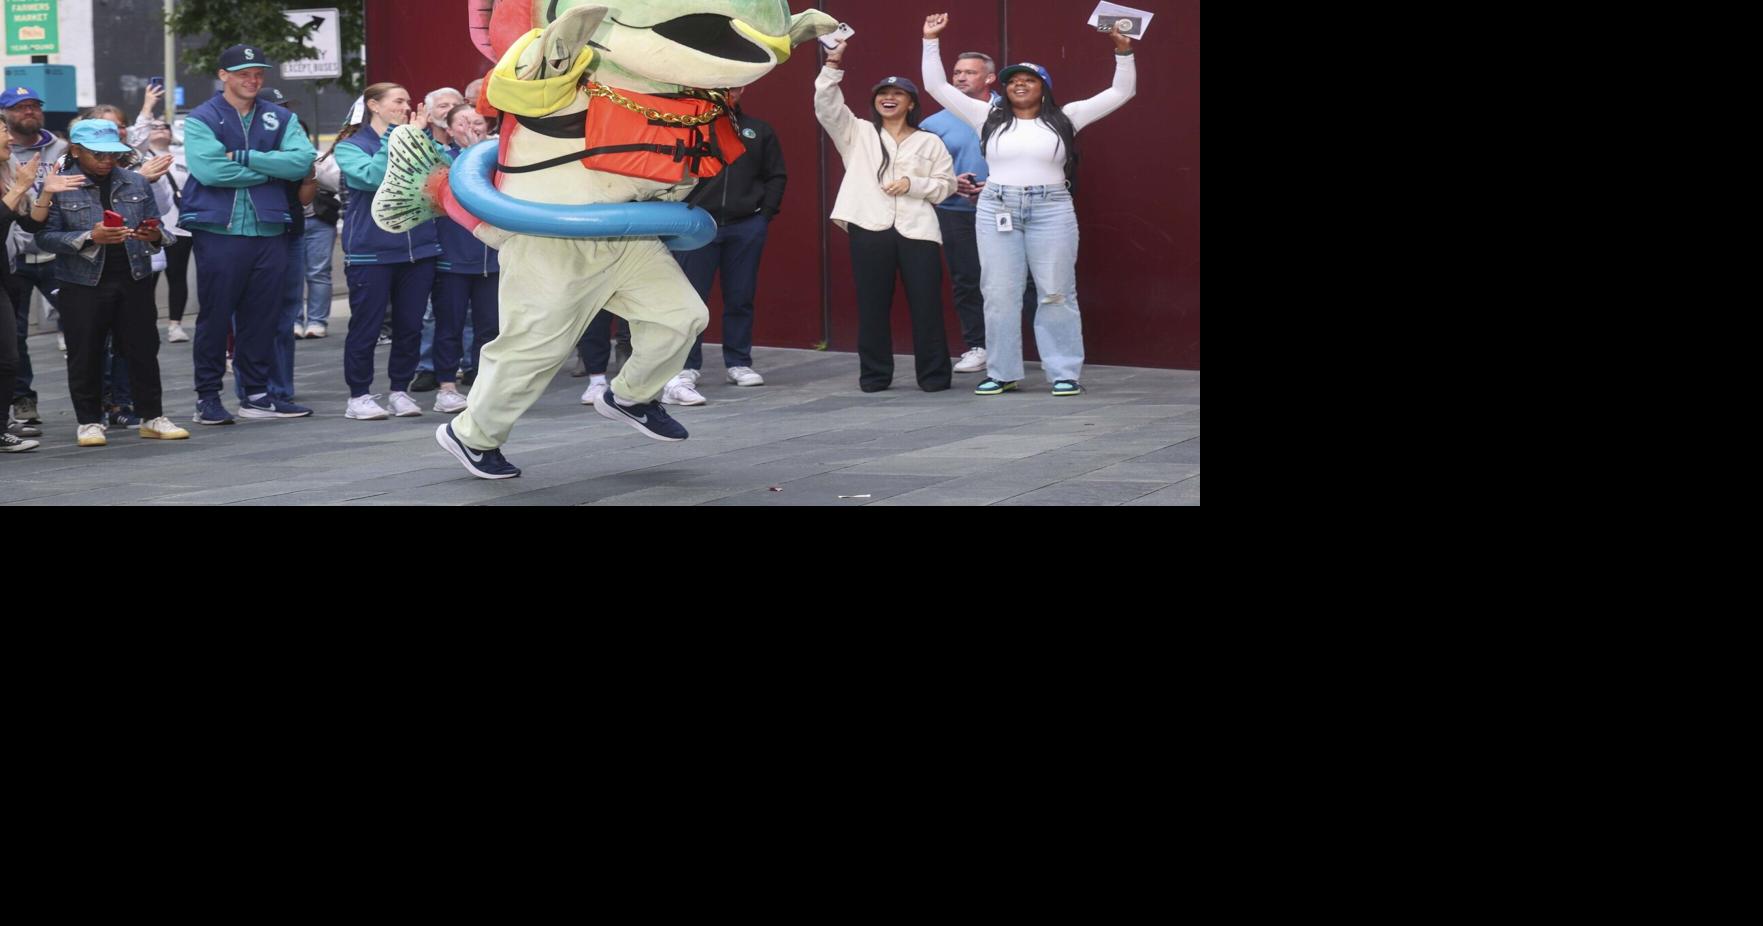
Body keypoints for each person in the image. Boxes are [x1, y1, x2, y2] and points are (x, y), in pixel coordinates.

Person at [921, 13, 1136, 397]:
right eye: (1012, 81)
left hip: (1051, 208)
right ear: (1003, 89)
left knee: (1056, 291)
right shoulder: (986, 115)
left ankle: (1064, 372)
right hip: (997, 206)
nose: (1019, 85)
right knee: (999, 291)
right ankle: (1002, 372)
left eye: (1029, 79)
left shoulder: (1066, 117)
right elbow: (936, 84)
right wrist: (930, 40)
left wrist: (1124, 52)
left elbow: (1121, 93)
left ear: (1044, 87)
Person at [179, 43, 317, 423]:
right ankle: (207, 397)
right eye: (244, 73)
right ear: (223, 75)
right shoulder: (201, 117)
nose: (253, 80)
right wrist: (275, 169)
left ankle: (256, 395)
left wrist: (243, 157)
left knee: (263, 315)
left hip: (269, 227)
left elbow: (303, 161)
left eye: (258, 73)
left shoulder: (279, 116)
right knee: (216, 315)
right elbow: (209, 171)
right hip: (218, 229)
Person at [32, 119, 189, 445]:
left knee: (143, 349)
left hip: (134, 275)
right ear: (76, 151)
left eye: (112, 154)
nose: (106, 161)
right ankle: (89, 421)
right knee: (85, 352)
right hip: (82, 281)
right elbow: (45, 238)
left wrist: (153, 235)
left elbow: (162, 229)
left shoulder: (135, 181)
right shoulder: (60, 185)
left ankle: (152, 416)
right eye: (98, 154)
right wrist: (90, 236)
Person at [815, 38, 956, 393]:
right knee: (872, 305)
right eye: (882, 93)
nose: (888, 98)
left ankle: (935, 377)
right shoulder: (857, 132)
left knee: (927, 305)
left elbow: (946, 185)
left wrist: (913, 184)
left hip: (918, 230)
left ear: (911, 103)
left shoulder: (930, 141)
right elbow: (826, 106)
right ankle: (875, 376)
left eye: (897, 93)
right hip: (869, 226)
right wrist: (833, 63)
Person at [655, 85, 785, 406]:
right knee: (691, 300)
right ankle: (686, 367)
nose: (728, 92)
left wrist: (763, 215)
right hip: (696, 225)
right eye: (720, 87)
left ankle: (738, 362)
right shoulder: (686, 128)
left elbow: (776, 175)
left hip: (744, 226)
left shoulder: (757, 130)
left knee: (740, 296)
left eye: (734, 86)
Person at [330, 83, 443, 420]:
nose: (406, 105)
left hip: (418, 249)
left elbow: (440, 174)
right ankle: (359, 396)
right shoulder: (351, 146)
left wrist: (424, 139)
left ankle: (399, 390)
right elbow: (376, 177)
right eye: (398, 101)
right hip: (371, 251)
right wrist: (396, 136)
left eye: (408, 100)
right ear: (373, 106)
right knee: (367, 325)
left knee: (411, 326)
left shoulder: (416, 137)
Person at [920, 50, 996, 375]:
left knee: (1016, 280)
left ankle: (1016, 346)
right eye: (956, 72)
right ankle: (978, 345)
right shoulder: (932, 124)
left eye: (970, 72)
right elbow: (918, 171)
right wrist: (953, 183)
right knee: (967, 280)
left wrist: (993, 186)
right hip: (955, 211)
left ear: (990, 78)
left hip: (1005, 209)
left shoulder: (1010, 114)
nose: (961, 77)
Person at [3, 85, 67, 429]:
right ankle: (21, 400)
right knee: (13, 337)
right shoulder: (5, 157)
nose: (29, 111)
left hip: (57, 250)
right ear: (6, 116)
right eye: (20, 107)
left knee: (82, 325)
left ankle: (101, 398)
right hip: (14, 258)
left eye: (34, 106)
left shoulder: (61, 148)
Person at [428, 105, 498, 415]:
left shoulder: (500, 159)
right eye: (464, 123)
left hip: (492, 259)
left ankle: (484, 384)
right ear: (451, 129)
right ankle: (446, 386)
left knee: (490, 327)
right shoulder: (444, 160)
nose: (472, 127)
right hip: (452, 257)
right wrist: (470, 156)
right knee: (449, 324)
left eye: (477, 121)